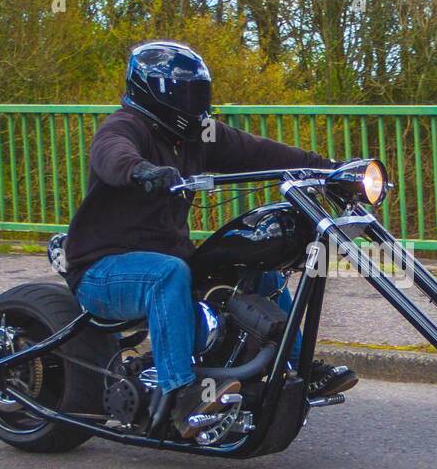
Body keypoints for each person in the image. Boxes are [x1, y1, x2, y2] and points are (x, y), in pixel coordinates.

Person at [63, 40, 357, 438]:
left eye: (197, 93)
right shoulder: (125, 125)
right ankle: (181, 394)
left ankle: (297, 365)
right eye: (184, 93)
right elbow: (111, 154)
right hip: (104, 266)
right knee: (165, 274)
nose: (192, 102)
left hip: (173, 258)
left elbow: (262, 153)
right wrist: (141, 170)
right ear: (153, 91)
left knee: (259, 270)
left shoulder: (197, 134)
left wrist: (331, 170)